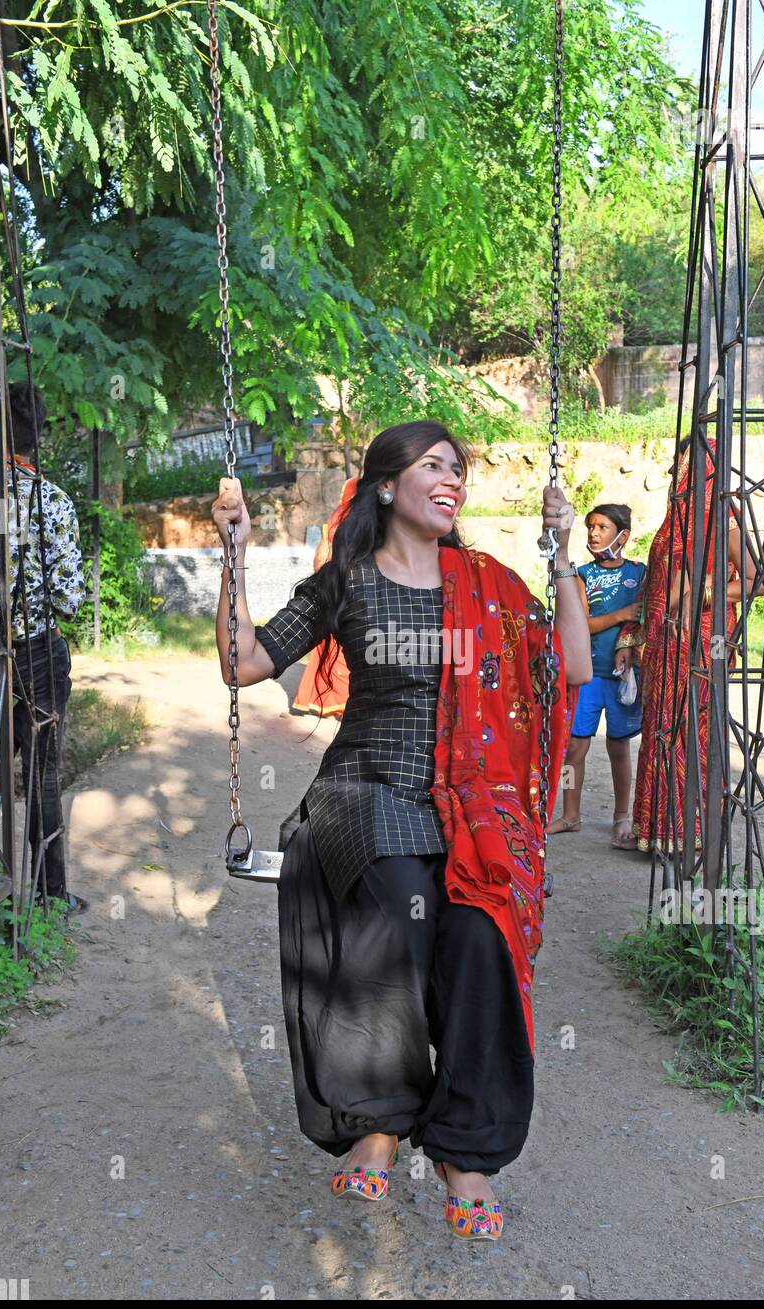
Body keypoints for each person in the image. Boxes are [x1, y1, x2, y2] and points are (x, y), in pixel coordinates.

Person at [212, 419, 591, 1241]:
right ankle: (380, 1118)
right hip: (366, 789)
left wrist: (562, 555)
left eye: (459, 467)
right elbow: (243, 662)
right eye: (433, 465)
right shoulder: (347, 580)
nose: (452, 478)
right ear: (387, 485)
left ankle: (466, 1147)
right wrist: (235, 551)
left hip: (468, 802)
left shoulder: (487, 581)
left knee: (481, 931)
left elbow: (573, 666)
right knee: (400, 895)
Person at [620, 435, 758, 855]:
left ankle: (689, 833)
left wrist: (698, 593)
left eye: (689, 462)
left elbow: (754, 580)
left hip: (701, 642)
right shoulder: (673, 519)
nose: (678, 471)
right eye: (678, 462)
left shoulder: (722, 515)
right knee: (660, 728)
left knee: (689, 731)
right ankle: (655, 829)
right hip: (663, 643)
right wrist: (631, 637)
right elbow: (656, 585)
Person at [0, 381, 88, 912]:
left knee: (7, 734)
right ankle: (51, 896)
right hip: (31, 651)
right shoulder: (50, 501)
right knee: (44, 770)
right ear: (37, 435)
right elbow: (68, 600)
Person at [548, 503, 646, 848]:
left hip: (622, 676)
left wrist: (629, 629)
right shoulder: (581, 575)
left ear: (623, 535)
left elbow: (647, 618)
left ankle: (622, 817)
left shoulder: (640, 573)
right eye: (590, 526)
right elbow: (582, 624)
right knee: (573, 747)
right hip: (588, 674)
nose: (593, 533)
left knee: (619, 747)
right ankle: (570, 814)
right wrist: (622, 613)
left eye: (602, 527)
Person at [291, 474, 358, 719]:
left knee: (328, 646)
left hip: (333, 588)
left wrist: (325, 585)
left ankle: (320, 700)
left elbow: (320, 559)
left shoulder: (336, 519)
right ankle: (340, 703)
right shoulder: (374, 523)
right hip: (357, 593)